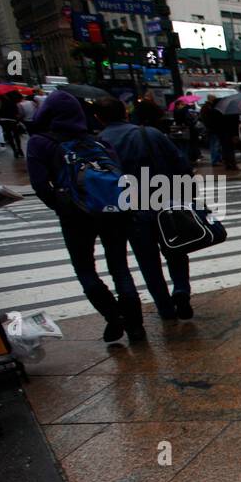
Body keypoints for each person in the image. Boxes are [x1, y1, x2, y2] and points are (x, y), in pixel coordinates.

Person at [25, 90, 145, 343]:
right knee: (120, 269)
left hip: (75, 216)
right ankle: (136, 327)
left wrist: (63, 206)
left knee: (85, 271)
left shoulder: (41, 143)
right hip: (111, 212)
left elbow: (39, 185)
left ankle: (114, 318)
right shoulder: (99, 143)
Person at [95, 96, 195, 320]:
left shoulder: (100, 143)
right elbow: (181, 164)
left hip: (131, 209)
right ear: (125, 112)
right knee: (176, 250)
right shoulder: (149, 133)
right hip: (164, 202)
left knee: (148, 261)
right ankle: (181, 290)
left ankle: (164, 307)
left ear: (99, 118)